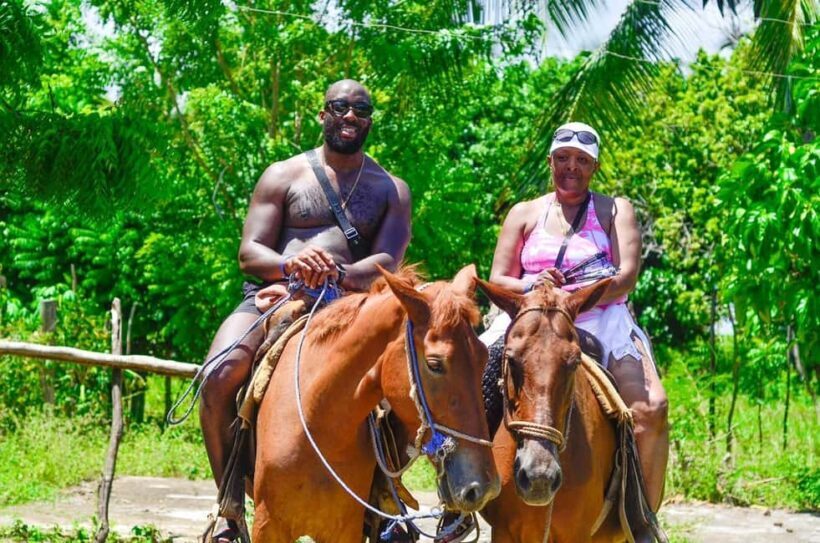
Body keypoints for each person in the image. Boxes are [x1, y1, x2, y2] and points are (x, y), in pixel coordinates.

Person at [199, 79, 412, 542]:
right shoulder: (283, 175)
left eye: (361, 110)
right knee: (218, 375)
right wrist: (291, 264)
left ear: (370, 120)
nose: (350, 116)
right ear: (323, 114)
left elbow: (388, 261)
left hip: (351, 305)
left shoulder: (391, 189)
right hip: (274, 295)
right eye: (340, 107)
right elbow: (249, 253)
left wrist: (338, 272)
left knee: (411, 382)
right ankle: (228, 505)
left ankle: (386, 496)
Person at [481, 121, 668, 540]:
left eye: (582, 160)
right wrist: (534, 285)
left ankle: (641, 517)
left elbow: (626, 276)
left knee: (651, 407)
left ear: (594, 167)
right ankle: (457, 500)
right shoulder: (524, 213)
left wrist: (574, 297)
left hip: (599, 315)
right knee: (463, 380)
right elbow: (499, 277)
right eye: (563, 158)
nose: (572, 167)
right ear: (550, 161)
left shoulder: (615, 210)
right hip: (530, 316)